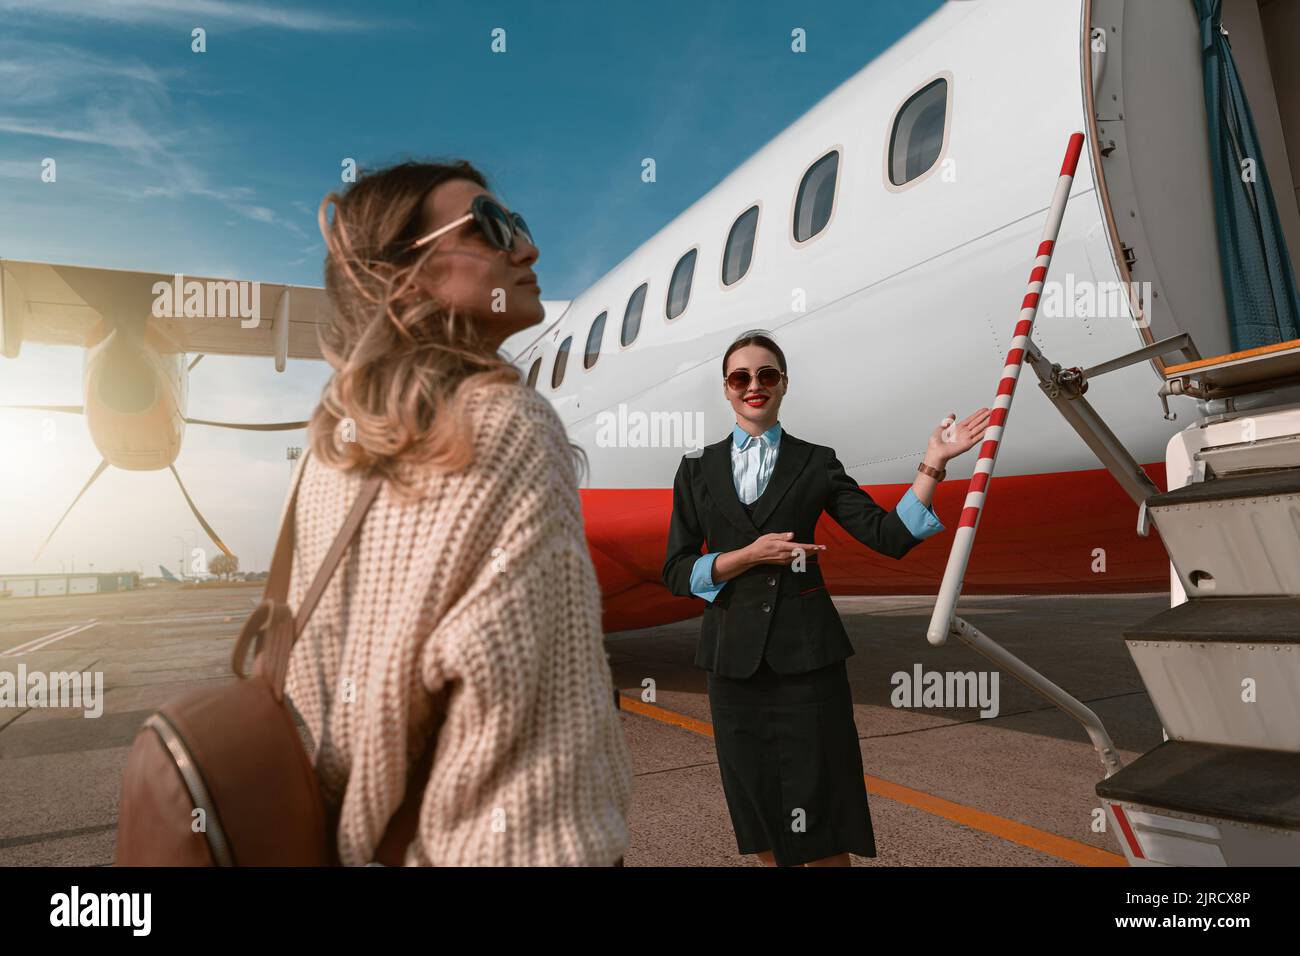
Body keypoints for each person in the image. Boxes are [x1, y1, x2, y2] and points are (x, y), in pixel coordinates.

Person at [284, 159, 633, 865]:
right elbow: (532, 790)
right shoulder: (507, 424)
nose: (527, 248)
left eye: (522, 227)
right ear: (402, 277)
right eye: (491, 227)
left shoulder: (328, 457)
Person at [662, 330, 989, 867]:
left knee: (824, 806)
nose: (754, 386)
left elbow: (888, 536)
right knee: (758, 804)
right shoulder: (696, 468)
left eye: (767, 375)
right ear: (726, 389)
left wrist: (933, 462)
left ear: (783, 384)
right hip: (731, 663)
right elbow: (676, 570)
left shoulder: (815, 462)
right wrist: (747, 556)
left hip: (807, 659)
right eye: (741, 377)